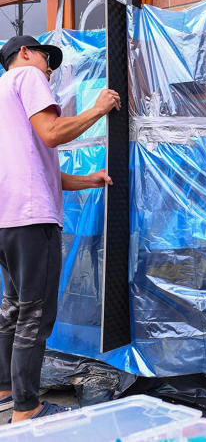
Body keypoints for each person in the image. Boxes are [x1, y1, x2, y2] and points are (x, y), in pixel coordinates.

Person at [0, 35, 120, 423]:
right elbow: (52, 133)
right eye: (45, 58)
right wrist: (98, 108)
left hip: (6, 220)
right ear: (23, 53)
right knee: (35, 314)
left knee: (12, 309)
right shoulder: (26, 78)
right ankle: (27, 408)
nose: (49, 69)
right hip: (32, 219)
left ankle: (5, 389)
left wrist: (90, 180)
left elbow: (41, 168)